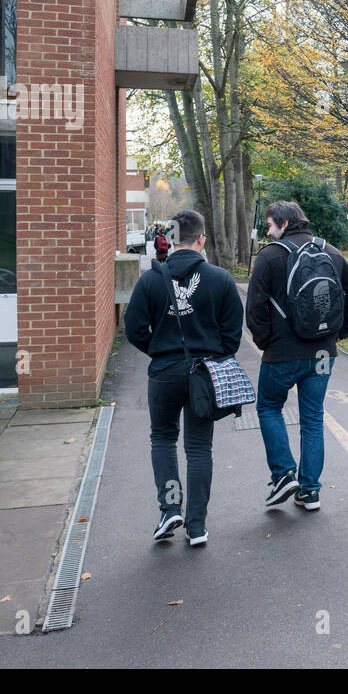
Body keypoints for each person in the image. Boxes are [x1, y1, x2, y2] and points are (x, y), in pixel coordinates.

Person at [124, 210, 244, 547]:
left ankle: (169, 508)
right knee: (198, 448)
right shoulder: (220, 279)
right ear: (201, 239)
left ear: (171, 239)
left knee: (163, 439)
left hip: (163, 372)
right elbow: (232, 336)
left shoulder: (150, 279)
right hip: (203, 374)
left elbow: (133, 329)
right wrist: (210, 356)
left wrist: (160, 351)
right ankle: (196, 527)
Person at [246, 200, 348, 512]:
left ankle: (284, 473)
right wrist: (340, 332)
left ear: (284, 224)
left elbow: (255, 307)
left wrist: (264, 342)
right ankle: (310, 491)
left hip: (282, 353)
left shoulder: (270, 257)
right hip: (323, 352)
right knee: (313, 418)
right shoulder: (331, 252)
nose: (268, 232)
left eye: (271, 225)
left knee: (269, 408)